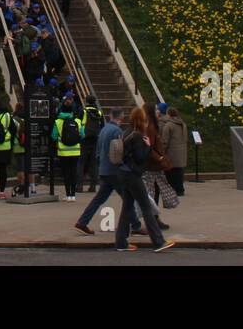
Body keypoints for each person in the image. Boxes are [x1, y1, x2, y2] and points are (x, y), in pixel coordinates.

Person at [115, 107, 177, 253]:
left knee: (127, 208)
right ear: (142, 119)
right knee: (146, 207)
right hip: (133, 175)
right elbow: (140, 158)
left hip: (123, 173)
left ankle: (121, 243)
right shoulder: (137, 136)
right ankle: (158, 241)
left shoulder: (127, 132)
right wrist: (148, 147)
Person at [74, 108, 140, 236]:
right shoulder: (117, 131)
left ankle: (82, 222)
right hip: (114, 170)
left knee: (98, 199)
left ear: (110, 116)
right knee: (127, 198)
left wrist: (101, 165)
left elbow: (98, 152)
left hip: (104, 170)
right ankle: (136, 226)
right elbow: (119, 151)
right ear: (121, 116)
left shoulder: (103, 130)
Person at [51, 101, 84, 201]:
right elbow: (82, 135)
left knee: (66, 173)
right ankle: (73, 195)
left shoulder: (58, 122)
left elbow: (53, 136)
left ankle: (68, 195)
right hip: (75, 151)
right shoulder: (77, 121)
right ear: (72, 111)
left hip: (63, 152)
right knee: (73, 172)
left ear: (61, 110)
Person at [158, 103, 188, 198]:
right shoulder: (183, 124)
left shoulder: (169, 125)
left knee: (170, 172)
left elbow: (165, 141)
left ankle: (173, 189)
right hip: (181, 152)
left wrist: (162, 152)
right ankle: (180, 190)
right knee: (179, 172)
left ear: (169, 114)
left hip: (171, 153)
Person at [80, 96, 104, 193]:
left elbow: (79, 124)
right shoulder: (99, 113)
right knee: (93, 163)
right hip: (95, 139)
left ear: (86, 102)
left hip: (84, 139)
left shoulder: (83, 111)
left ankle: (79, 186)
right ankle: (93, 186)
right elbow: (102, 126)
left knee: (81, 163)